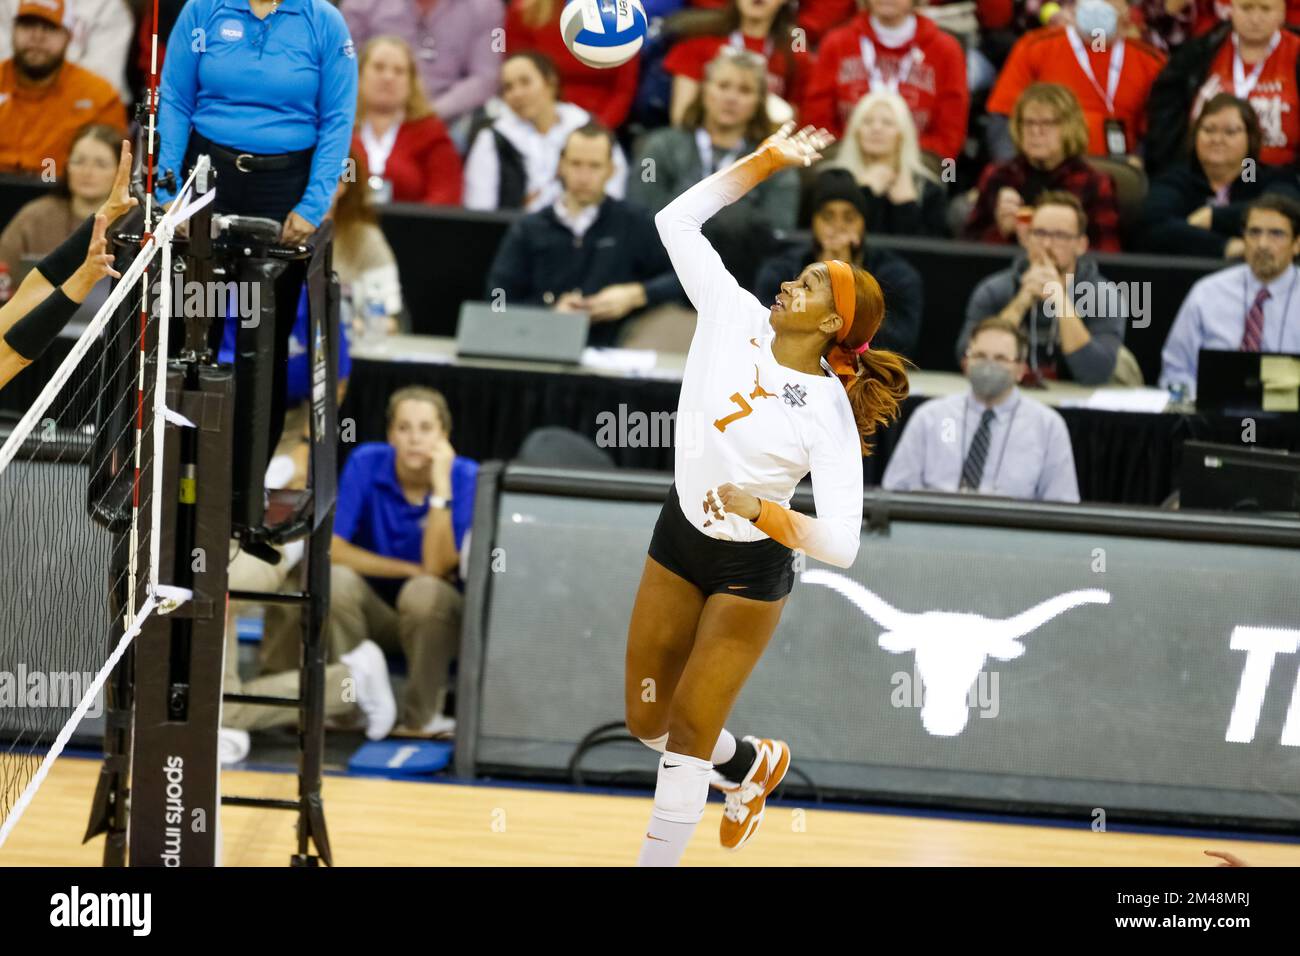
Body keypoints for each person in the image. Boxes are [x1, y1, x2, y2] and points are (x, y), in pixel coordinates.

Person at [626, 124, 910, 866]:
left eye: (813, 283)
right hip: (679, 535)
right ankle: (750, 768)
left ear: (830, 323)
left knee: (686, 735)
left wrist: (765, 512)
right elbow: (672, 220)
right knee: (647, 721)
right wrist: (765, 162)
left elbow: (843, 543)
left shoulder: (828, 412)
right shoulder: (731, 312)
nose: (793, 281)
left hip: (749, 573)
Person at [330, 386, 479, 737]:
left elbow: (438, 568)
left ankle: (421, 718)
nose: (414, 439)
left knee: (424, 590)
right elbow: (331, 549)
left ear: (444, 436)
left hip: (439, 620)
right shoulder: (366, 461)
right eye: (404, 428)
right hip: (380, 614)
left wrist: (440, 490)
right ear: (389, 434)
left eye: (426, 429)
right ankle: (346, 705)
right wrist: (407, 569)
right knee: (335, 579)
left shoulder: (466, 476)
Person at [156, 0, 358, 245]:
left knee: (274, 283)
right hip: (205, 174)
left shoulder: (326, 21)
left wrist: (314, 205)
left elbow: (338, 119)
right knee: (195, 282)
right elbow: (175, 100)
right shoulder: (202, 9)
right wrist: (168, 190)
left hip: (287, 186)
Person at [486, 125, 684, 348]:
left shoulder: (635, 223)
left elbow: (684, 278)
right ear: (561, 166)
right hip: (541, 349)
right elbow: (497, 300)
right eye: (576, 164)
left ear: (612, 170)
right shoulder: (529, 229)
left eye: (594, 166)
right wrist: (548, 313)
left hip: (617, 350)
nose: (584, 176)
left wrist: (636, 294)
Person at [628, 48, 796, 290]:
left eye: (745, 90)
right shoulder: (660, 147)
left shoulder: (774, 161)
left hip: (741, 286)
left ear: (759, 102)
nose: (731, 98)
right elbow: (642, 218)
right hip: (664, 278)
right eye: (723, 86)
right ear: (704, 89)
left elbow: (777, 234)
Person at [883, 317, 1081, 502]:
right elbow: (895, 491)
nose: (988, 366)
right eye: (980, 356)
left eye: (1001, 358)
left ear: (1021, 370)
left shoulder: (1048, 427)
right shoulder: (929, 418)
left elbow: (1063, 503)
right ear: (966, 363)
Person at [0, 138, 135, 390]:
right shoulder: (36, 214)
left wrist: (109, 210)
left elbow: (34, 290)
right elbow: (15, 352)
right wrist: (84, 277)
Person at [959, 191, 1129, 385]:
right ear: (1026, 237)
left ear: (1081, 245)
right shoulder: (995, 289)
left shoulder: (1103, 296)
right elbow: (966, 359)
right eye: (1039, 233)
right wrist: (1020, 303)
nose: (1047, 244)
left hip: (1077, 401)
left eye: (1060, 236)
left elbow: (1094, 373)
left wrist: (1060, 300)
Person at [755, 168, 923, 357]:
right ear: (813, 223)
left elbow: (903, 341)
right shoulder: (781, 270)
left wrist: (847, 282)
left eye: (849, 218)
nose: (838, 226)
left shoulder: (896, 275)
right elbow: (766, 327)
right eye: (827, 217)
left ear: (863, 223)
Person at [985, 0, 1167, 160]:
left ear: (1128, 9)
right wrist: (1013, 173)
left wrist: (1138, 167)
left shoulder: (1150, 62)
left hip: (1118, 171)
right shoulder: (1034, 48)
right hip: (1047, 167)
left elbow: (1154, 136)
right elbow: (1002, 118)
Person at [1160, 194, 1300, 396]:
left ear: (1296, 244)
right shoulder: (1207, 293)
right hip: (1214, 418)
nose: (1262, 244)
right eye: (1254, 232)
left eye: (1276, 234)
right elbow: (1176, 370)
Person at [802, 0, 968, 161]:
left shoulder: (946, 50)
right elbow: (815, 121)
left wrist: (896, 157)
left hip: (917, 161)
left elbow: (949, 136)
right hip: (844, 158)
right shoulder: (836, 43)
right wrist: (857, 154)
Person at [964, 83, 1122, 252]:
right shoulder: (998, 176)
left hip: (1070, 276)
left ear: (1069, 128)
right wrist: (1003, 232)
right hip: (1004, 274)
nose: (1036, 131)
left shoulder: (1094, 183)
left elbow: (1106, 255)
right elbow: (967, 250)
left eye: (1046, 123)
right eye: (1029, 123)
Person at [1146, 0, 1300, 174]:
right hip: (1200, 173)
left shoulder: (1296, 53)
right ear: (1231, 9)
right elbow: (1165, 118)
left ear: (1282, 14)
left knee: (1256, 194)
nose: (1255, 18)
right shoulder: (1198, 53)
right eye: (1246, 8)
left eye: (1265, 9)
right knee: (1161, 199)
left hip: (1276, 177)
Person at [463, 52, 628, 212]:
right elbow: (479, 210)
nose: (517, 94)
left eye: (525, 82)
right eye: (508, 87)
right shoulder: (492, 138)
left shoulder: (587, 128)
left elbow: (613, 192)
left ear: (550, 82)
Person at [1141, 92, 1300, 256]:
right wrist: (1227, 246)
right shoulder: (1179, 177)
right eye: (1209, 130)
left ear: (1251, 138)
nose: (1217, 139)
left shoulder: (1257, 175)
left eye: (1230, 132)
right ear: (1195, 135)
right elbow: (1153, 226)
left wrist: (1212, 218)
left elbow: (1283, 210)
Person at [339, 0, 503, 141]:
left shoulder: (487, 6)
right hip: (370, 110)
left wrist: (425, 114)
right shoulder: (359, 4)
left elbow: (486, 77)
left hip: (449, 118)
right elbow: (341, 66)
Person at [0, 0, 126, 174]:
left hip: (62, 194)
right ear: (12, 30)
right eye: (27, 25)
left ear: (69, 36)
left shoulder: (98, 96)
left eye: (50, 28)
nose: (37, 36)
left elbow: (113, 172)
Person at [0, 124, 124, 275]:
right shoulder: (34, 216)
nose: (87, 172)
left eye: (101, 164)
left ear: (120, 171)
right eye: (78, 161)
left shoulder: (133, 224)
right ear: (67, 167)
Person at [352, 35, 462, 206]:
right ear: (359, 74)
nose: (388, 77)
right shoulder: (339, 129)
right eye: (378, 67)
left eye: (399, 71)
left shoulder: (431, 133)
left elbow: (445, 196)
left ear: (411, 82)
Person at [662, 0, 808, 125]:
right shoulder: (697, 42)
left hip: (762, 148)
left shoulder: (794, 54)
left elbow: (792, 118)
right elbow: (681, 117)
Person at [828, 89, 949, 237]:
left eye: (887, 123)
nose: (876, 128)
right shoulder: (832, 181)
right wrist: (865, 194)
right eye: (867, 121)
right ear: (856, 132)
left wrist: (906, 205)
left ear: (902, 135)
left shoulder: (929, 189)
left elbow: (935, 253)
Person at [504, 0, 639, 129]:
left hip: (599, 124)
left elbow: (623, 88)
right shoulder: (524, 12)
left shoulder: (623, 16)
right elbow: (517, 76)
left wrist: (597, 129)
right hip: (539, 121)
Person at [334, 145, 405, 338]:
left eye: (337, 182)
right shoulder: (286, 232)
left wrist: (351, 325)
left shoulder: (364, 238)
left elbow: (389, 317)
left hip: (349, 342)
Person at [0, 0, 132, 99]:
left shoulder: (108, 5)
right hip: (15, 102)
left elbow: (106, 87)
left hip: (78, 111)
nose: (38, 36)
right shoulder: (7, 3)